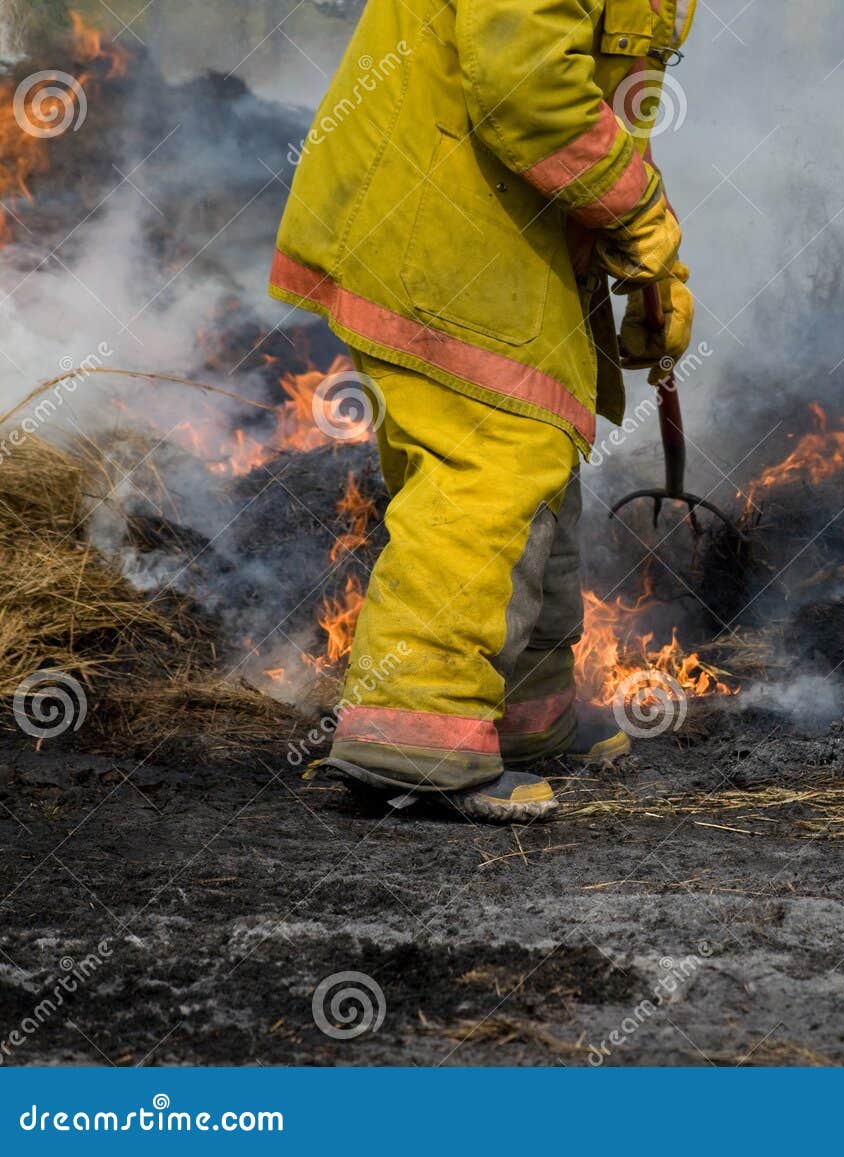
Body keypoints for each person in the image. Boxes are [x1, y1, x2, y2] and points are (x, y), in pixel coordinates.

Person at [268, 0, 697, 822]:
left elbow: (590, 92)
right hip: (436, 218)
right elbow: (525, 81)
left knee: (534, 457)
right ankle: (415, 738)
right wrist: (638, 213)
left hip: (481, 222)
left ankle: (518, 719)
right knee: (491, 460)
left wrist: (647, 260)